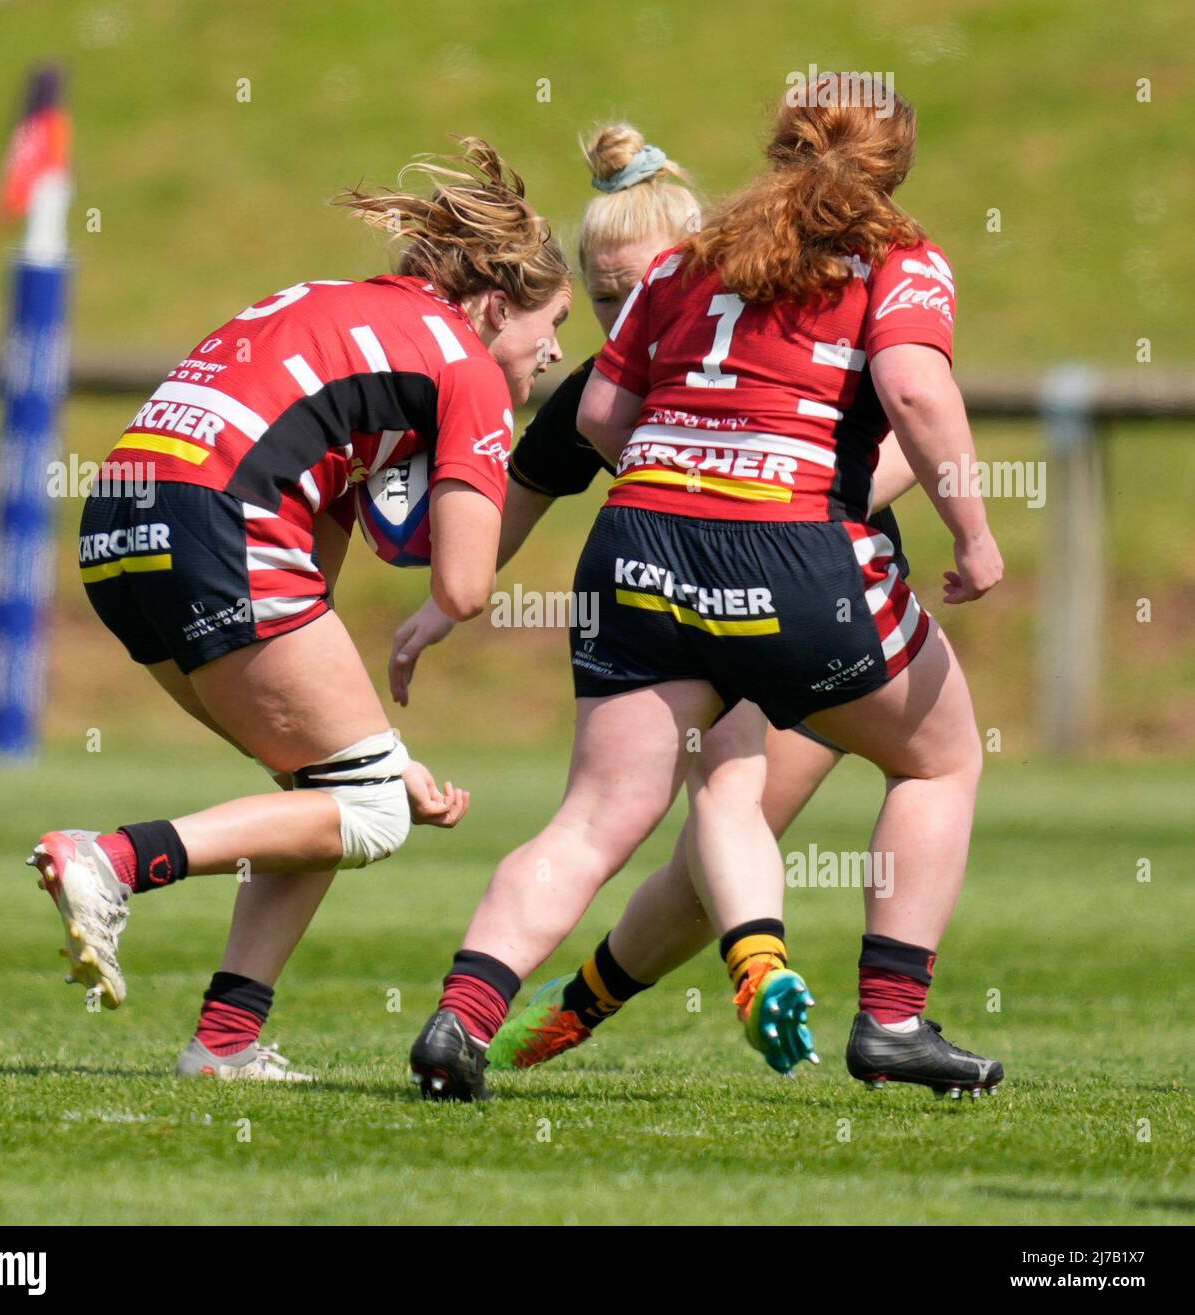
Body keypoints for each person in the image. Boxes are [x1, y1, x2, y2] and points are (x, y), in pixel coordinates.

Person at [409, 83, 1006, 1102]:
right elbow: (912, 391)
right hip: (793, 561)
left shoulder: (688, 258)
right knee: (942, 760)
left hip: (639, 545)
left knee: (598, 818)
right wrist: (975, 534)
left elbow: (600, 412)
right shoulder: (900, 258)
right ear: (893, 169)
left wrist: (683, 473)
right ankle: (894, 1018)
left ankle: (461, 1020)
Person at [27, 138, 572, 1081]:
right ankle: (113, 858)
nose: (557, 349)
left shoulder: (327, 300)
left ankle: (226, 1043)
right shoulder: (468, 366)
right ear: (492, 305)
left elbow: (314, 574)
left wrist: (385, 756)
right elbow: (466, 585)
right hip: (218, 518)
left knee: (328, 786)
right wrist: (468, 465)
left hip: (119, 519)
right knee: (365, 813)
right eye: (553, 322)